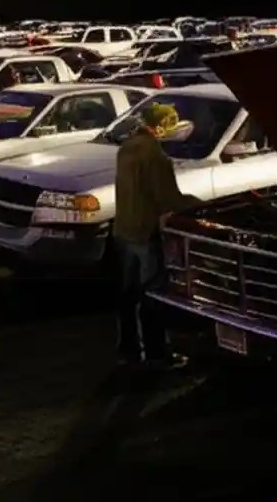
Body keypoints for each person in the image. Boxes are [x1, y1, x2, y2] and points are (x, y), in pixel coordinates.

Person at [113, 103, 199, 370]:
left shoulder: (126, 148)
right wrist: (195, 204)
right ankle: (156, 353)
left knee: (128, 295)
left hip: (124, 229)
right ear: (160, 126)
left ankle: (128, 349)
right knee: (153, 294)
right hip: (145, 232)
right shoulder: (155, 156)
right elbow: (167, 198)